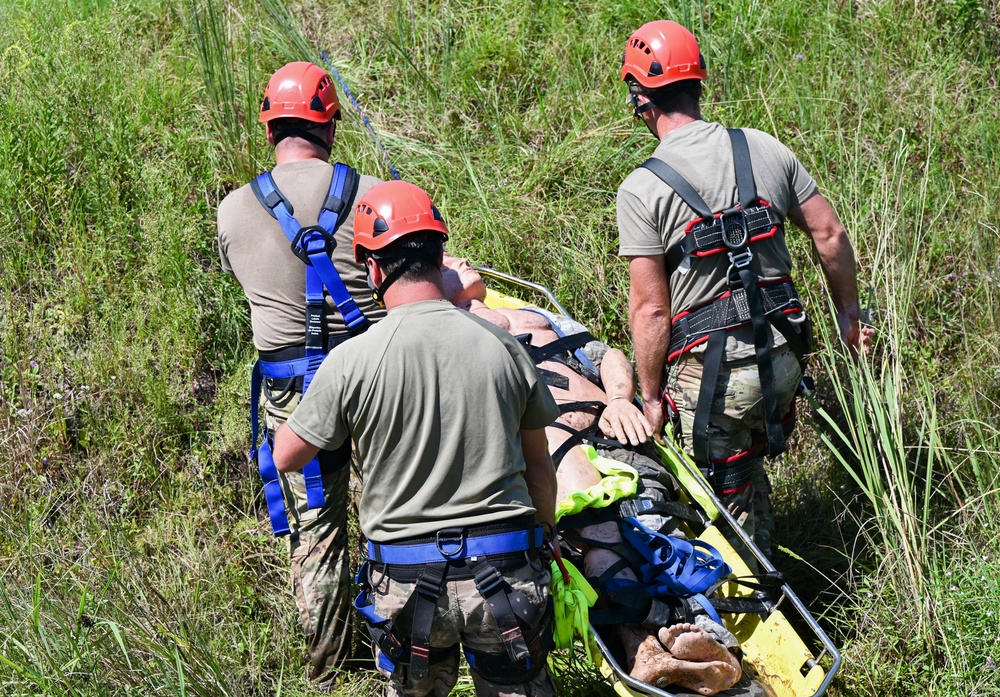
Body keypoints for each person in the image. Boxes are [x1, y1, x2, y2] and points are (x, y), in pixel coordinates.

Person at [272, 180, 561, 697]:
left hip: (405, 584)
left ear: (375, 269)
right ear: (439, 255)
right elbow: (539, 468)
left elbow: (288, 456)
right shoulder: (503, 346)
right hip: (506, 570)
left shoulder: (352, 360)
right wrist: (543, 538)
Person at [617, 20, 874, 557]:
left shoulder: (641, 189)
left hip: (714, 386)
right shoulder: (762, 147)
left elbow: (651, 311)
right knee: (747, 466)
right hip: (783, 361)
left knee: (717, 504)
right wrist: (849, 315)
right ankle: (764, 540)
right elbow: (829, 233)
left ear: (641, 99)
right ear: (699, 86)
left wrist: (649, 398)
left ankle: (751, 600)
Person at [441, 257, 742, 695]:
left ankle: (662, 643)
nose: (462, 259)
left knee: (652, 520)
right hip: (550, 454)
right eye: (448, 260)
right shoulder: (446, 337)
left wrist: (620, 399)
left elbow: (607, 355)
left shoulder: (539, 316)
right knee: (595, 530)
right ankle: (669, 634)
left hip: (617, 433)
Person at [217, 61, 383, 687]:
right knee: (395, 509)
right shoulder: (370, 195)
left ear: (268, 130)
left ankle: (330, 672)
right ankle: (412, 645)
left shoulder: (234, 210)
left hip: (292, 391)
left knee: (316, 529)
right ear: (331, 125)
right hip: (373, 376)